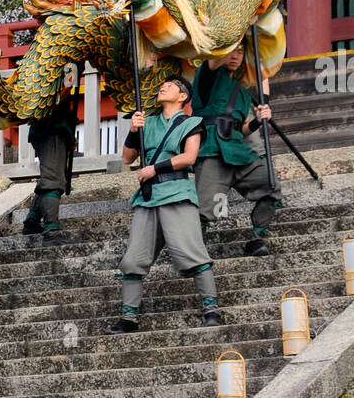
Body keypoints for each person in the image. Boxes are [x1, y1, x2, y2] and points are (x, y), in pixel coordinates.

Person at [106, 76, 222, 333]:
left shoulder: (192, 123)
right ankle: (128, 318)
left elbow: (189, 157)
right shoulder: (146, 122)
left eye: (170, 85)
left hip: (177, 192)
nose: (163, 87)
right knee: (134, 257)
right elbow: (127, 158)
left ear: (183, 96)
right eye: (163, 85)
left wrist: (154, 168)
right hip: (148, 198)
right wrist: (133, 130)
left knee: (191, 251)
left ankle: (211, 310)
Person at [192, 46, 279, 255]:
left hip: (238, 151)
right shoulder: (208, 75)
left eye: (240, 52)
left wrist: (258, 121)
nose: (235, 55)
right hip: (212, 150)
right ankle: (193, 253)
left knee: (271, 186)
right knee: (205, 209)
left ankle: (257, 238)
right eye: (232, 50)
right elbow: (213, 61)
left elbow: (243, 128)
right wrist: (234, 32)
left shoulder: (241, 90)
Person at [22, 88, 77, 246]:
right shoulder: (56, 66)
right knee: (53, 179)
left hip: (53, 128)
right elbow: (55, 95)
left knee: (50, 176)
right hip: (51, 127)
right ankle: (52, 231)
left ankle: (32, 220)